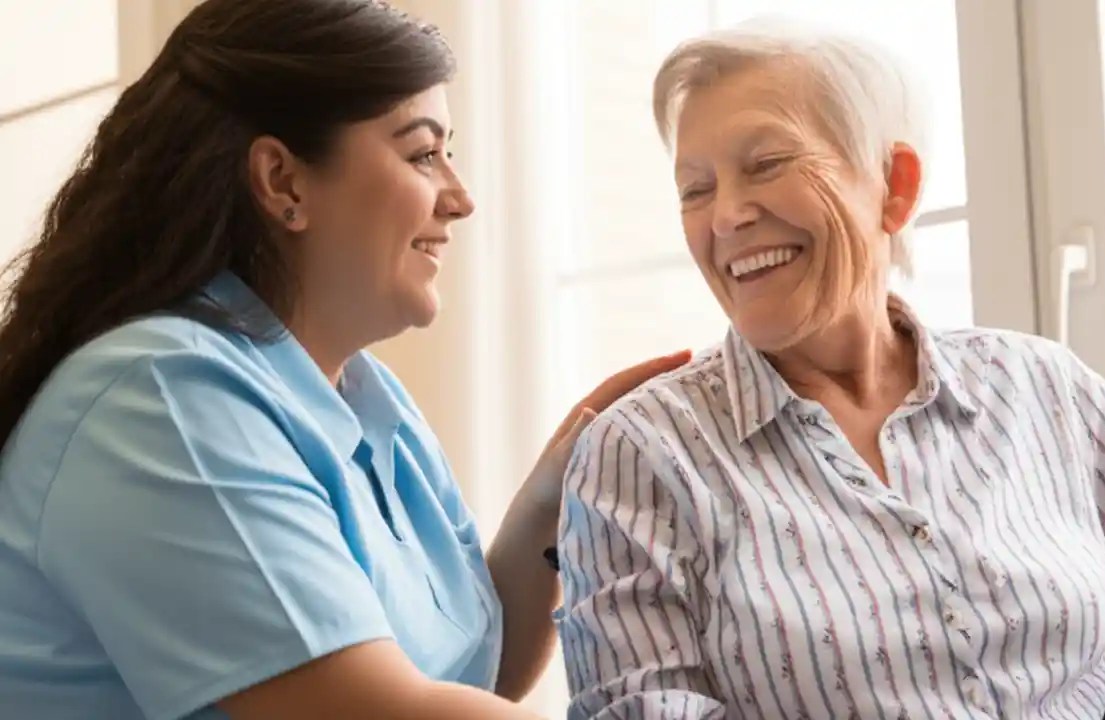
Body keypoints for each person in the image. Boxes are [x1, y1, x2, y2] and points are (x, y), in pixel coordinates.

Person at [556, 19, 1105, 720]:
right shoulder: (640, 454)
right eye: (695, 189)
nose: (726, 218)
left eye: (767, 164)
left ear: (893, 187)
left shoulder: (1041, 388)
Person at [0, 1, 689, 719]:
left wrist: (553, 501)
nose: (460, 197)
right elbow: (377, 710)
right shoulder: (159, 398)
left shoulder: (363, 395)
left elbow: (468, 682)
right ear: (283, 182)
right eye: (423, 153)